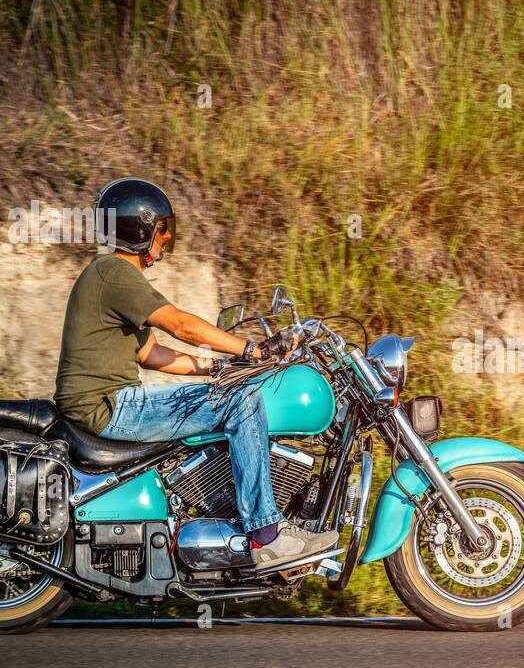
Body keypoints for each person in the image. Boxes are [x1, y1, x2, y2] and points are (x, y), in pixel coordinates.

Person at [54, 177, 337, 571]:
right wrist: (252, 349)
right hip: (109, 406)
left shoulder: (108, 277)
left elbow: (152, 355)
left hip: (107, 402)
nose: (165, 239)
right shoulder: (113, 273)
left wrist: (219, 367)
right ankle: (267, 535)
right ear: (141, 228)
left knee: (229, 390)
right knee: (241, 400)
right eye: (161, 230)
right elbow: (181, 325)